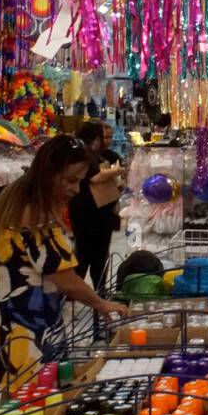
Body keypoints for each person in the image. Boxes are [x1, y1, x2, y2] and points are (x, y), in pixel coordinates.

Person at [0, 136, 129, 393]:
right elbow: (65, 278)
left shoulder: (16, 197)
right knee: (30, 401)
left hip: (9, 318)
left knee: (18, 397)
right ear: (50, 171)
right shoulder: (34, 217)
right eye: (71, 180)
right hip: (26, 327)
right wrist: (101, 303)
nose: (76, 189)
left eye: (80, 181)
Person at [68, 120, 126, 291]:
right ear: (95, 137)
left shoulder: (87, 153)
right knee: (92, 254)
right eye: (103, 136)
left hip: (91, 213)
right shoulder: (85, 154)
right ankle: (91, 291)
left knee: (88, 253)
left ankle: (88, 291)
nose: (105, 140)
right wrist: (117, 171)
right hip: (92, 214)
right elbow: (96, 177)